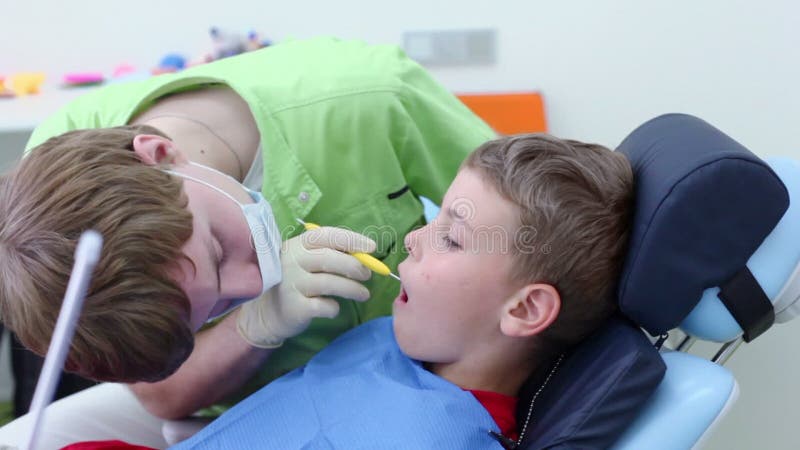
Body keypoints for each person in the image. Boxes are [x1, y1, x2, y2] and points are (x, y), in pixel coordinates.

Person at [0, 37, 495, 448]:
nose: (257, 279)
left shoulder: (370, 96)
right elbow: (162, 396)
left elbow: (534, 234)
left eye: (216, 251)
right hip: (222, 408)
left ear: (159, 153)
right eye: (212, 307)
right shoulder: (50, 203)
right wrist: (258, 323)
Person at [68, 133, 635, 449]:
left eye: (453, 239)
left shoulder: (446, 438)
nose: (414, 239)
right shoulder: (385, 339)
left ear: (526, 308)